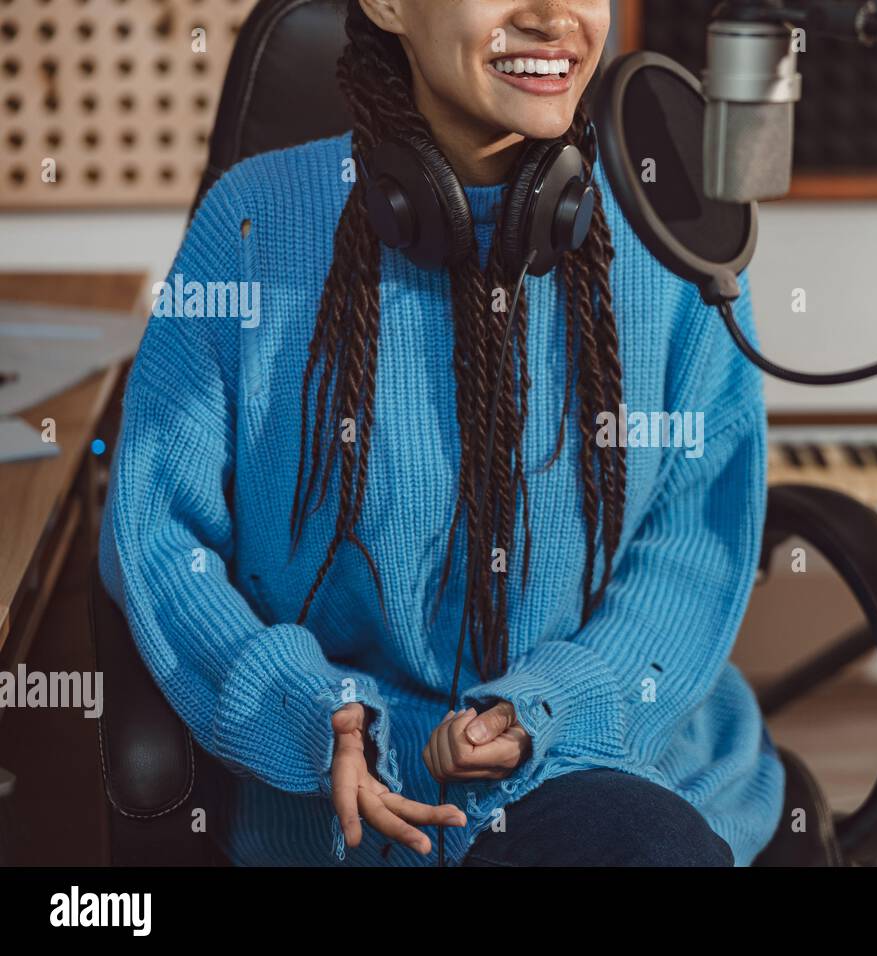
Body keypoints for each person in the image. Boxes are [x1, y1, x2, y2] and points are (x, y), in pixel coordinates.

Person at [100, 0, 784, 867]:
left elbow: (693, 541)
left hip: (607, 758)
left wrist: (551, 706)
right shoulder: (251, 227)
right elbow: (159, 535)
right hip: (346, 801)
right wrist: (308, 710)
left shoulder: (677, 227)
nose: (553, 15)